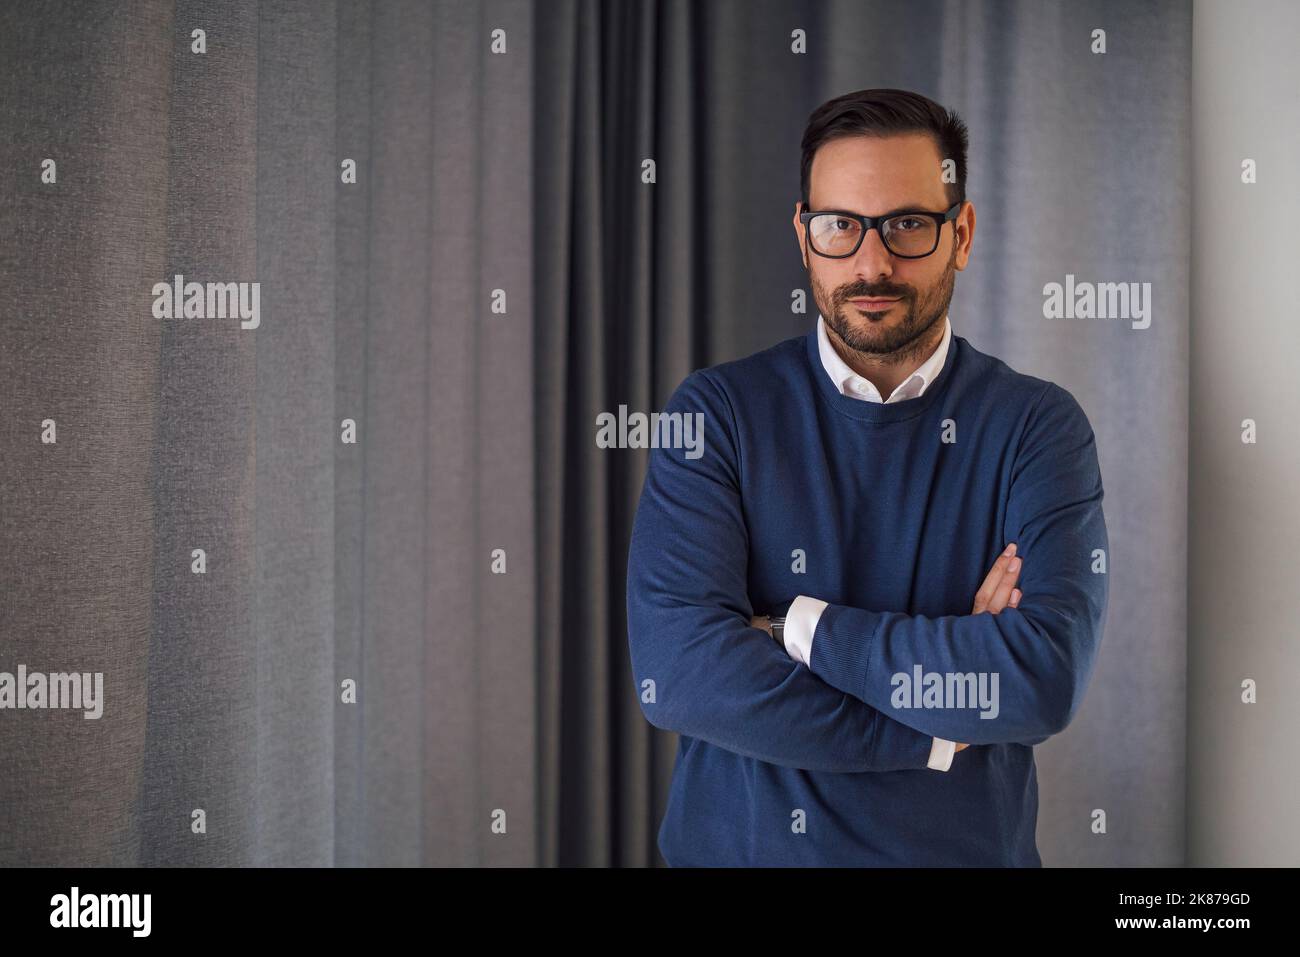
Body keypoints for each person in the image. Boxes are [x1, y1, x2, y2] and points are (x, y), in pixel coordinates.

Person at [625, 88, 1109, 866]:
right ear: (804, 235)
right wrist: (942, 723)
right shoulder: (716, 415)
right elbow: (681, 676)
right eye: (840, 226)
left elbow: (1040, 679)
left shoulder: (1037, 427)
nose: (872, 261)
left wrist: (794, 628)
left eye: (909, 225)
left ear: (963, 234)